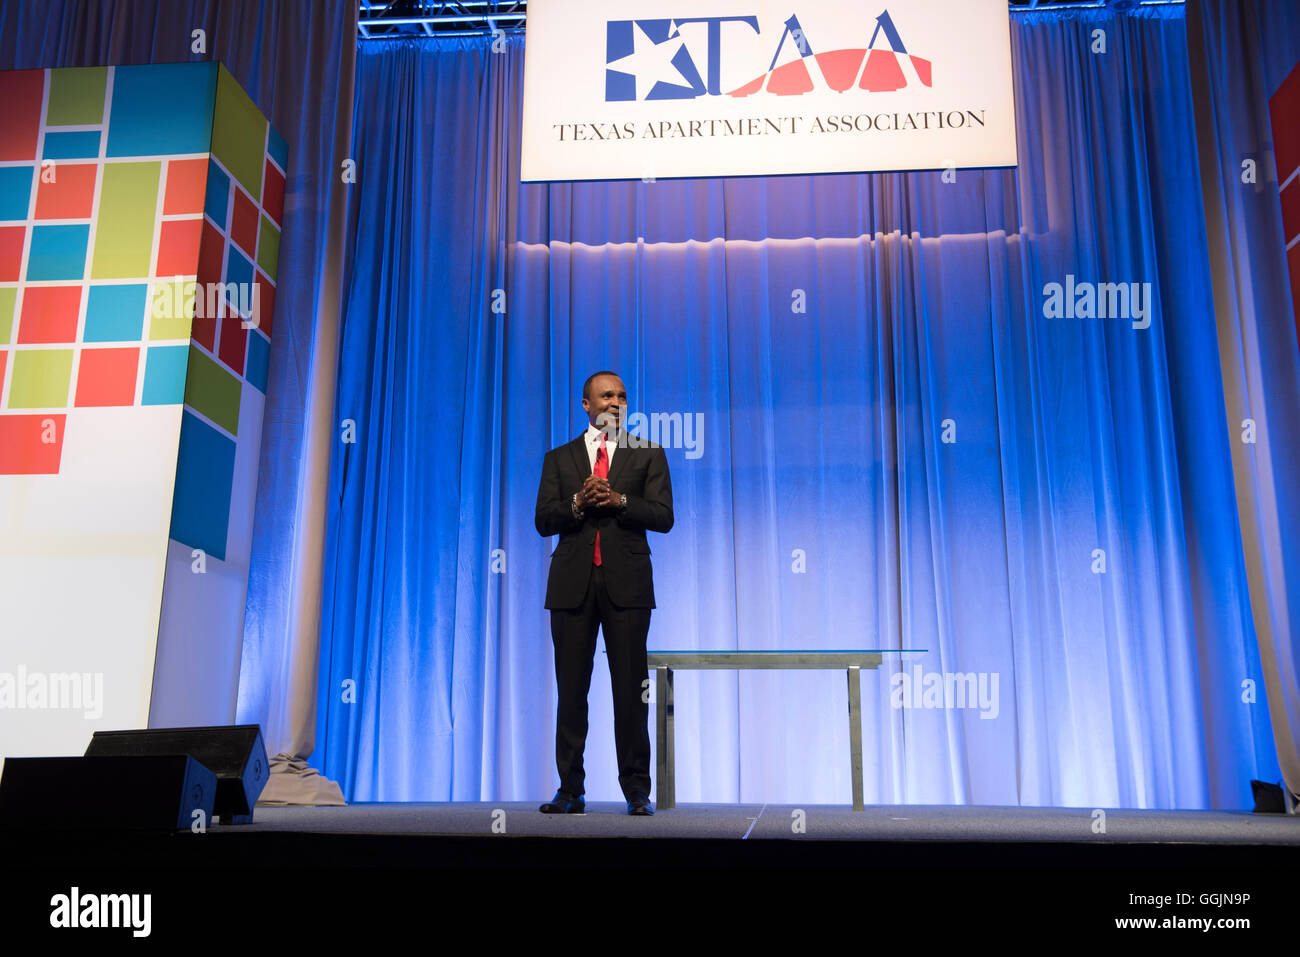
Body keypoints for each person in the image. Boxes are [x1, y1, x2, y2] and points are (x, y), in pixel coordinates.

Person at [534, 371, 674, 815]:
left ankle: (636, 791)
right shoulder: (559, 459)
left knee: (631, 691)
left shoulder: (647, 454)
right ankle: (570, 789)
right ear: (585, 404)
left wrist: (621, 502)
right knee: (571, 691)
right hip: (572, 587)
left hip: (627, 586)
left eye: (622, 396)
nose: (616, 402)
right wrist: (578, 503)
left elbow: (664, 515)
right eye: (607, 395)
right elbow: (543, 520)